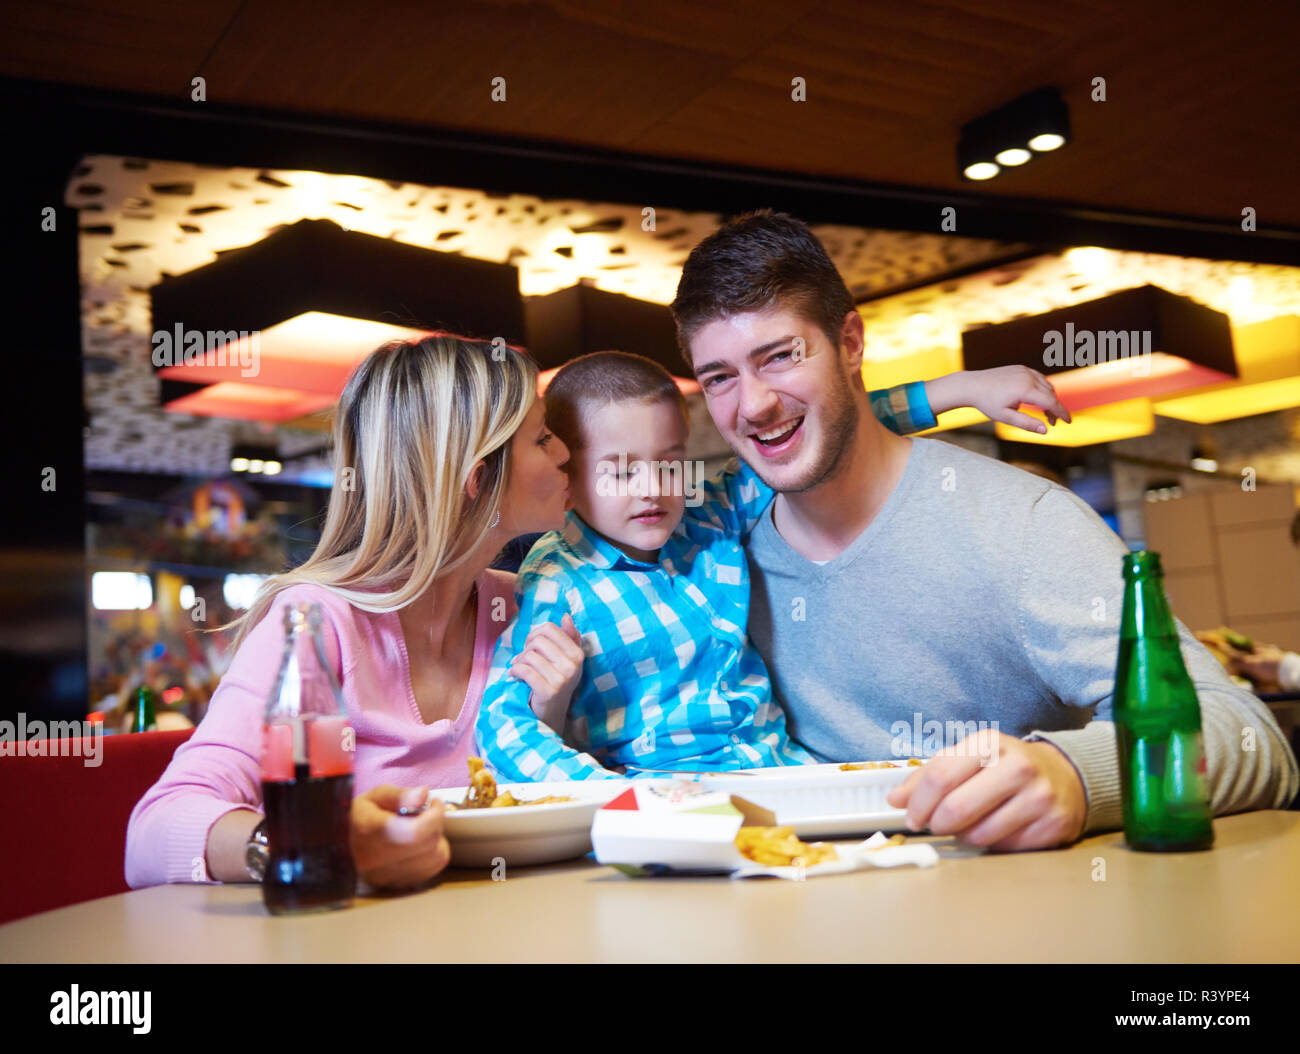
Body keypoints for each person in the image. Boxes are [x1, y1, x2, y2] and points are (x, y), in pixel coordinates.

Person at [671, 209, 1299, 850]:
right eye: (720, 377)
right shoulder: (709, 558)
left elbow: (1249, 736)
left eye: (779, 357)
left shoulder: (1024, 525)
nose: (754, 406)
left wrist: (1078, 775)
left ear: (851, 343)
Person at [475, 350, 1069, 781]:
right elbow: (503, 728)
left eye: (669, 461)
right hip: (669, 801)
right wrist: (611, 801)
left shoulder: (707, 517)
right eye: (621, 470)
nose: (653, 487)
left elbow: (835, 437)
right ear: (568, 479)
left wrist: (959, 389)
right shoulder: (556, 581)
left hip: (786, 775)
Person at [126, 334, 571, 891]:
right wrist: (318, 848)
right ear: (478, 479)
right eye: (544, 437)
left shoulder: (531, 604)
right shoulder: (317, 621)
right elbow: (152, 832)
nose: (565, 453)